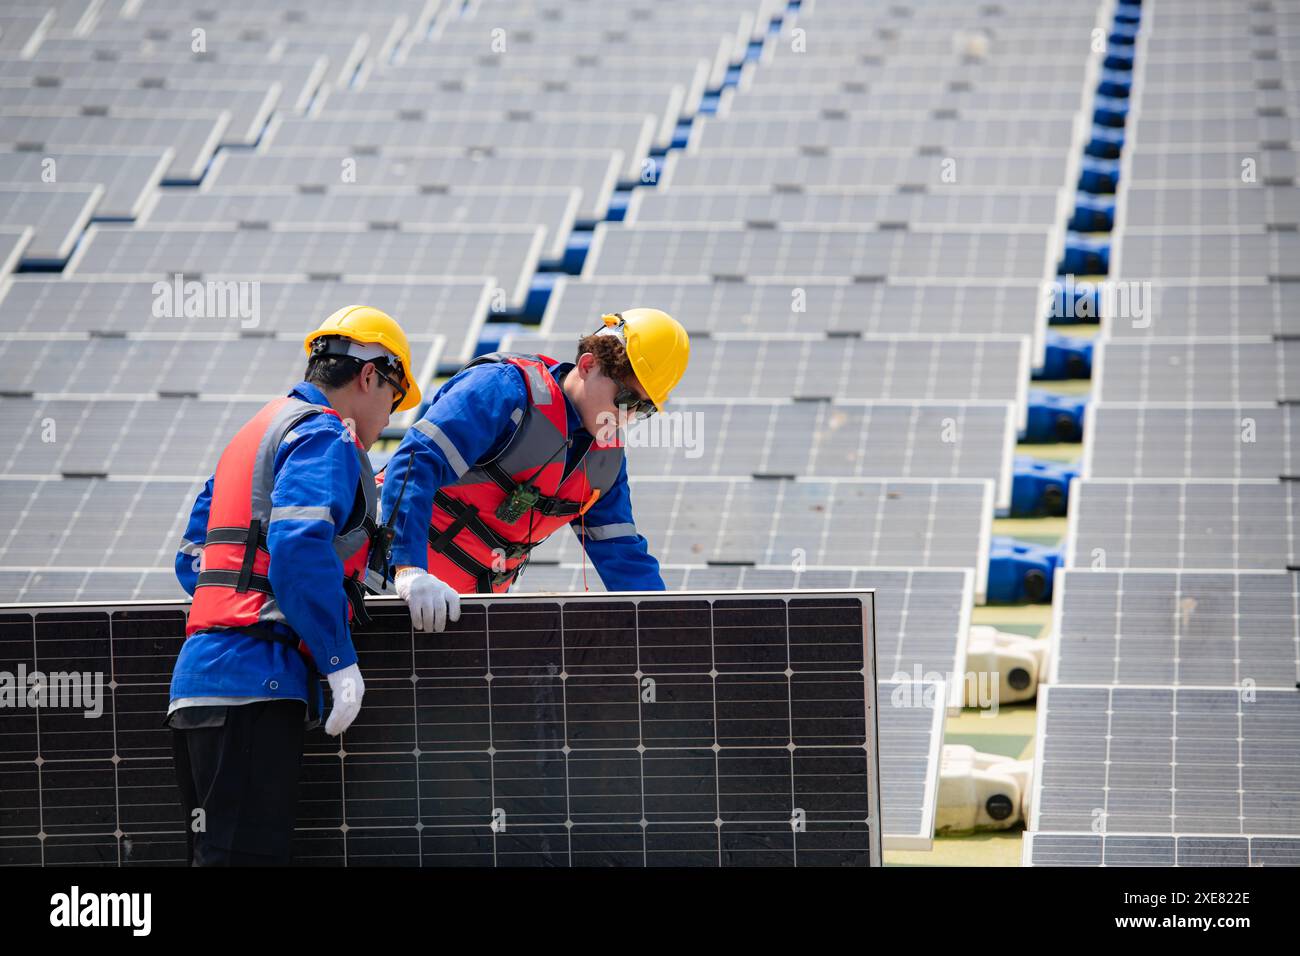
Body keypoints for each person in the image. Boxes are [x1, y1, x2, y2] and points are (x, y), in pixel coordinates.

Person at [166, 305, 421, 865]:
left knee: (217, 855)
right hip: (259, 686)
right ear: (370, 375)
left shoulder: (253, 434)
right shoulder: (325, 434)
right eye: (394, 399)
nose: (388, 419)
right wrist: (337, 658)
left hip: (197, 683)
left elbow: (194, 563)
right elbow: (299, 550)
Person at [380, 308, 690, 630]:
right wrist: (408, 569)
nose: (627, 416)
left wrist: (662, 623)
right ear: (588, 365)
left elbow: (623, 556)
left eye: (644, 409)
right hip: (382, 581)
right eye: (626, 400)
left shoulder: (607, 462)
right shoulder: (503, 389)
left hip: (457, 615)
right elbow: (414, 463)